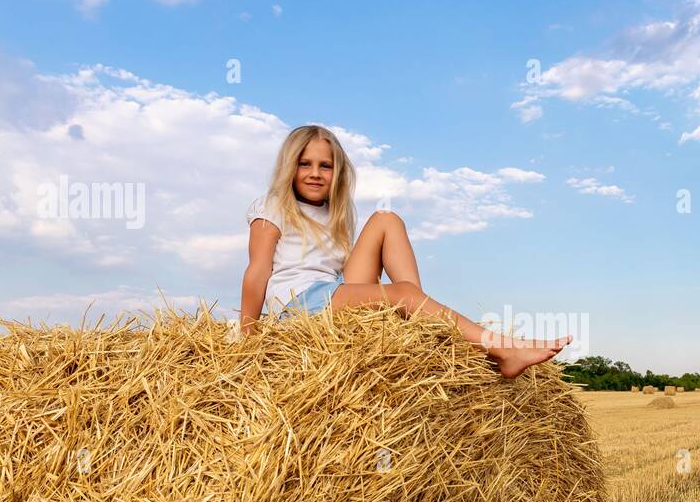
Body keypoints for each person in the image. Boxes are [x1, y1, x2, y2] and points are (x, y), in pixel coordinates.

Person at [239, 125, 570, 378]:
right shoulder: (272, 206)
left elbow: (341, 272)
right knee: (402, 295)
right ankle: (503, 348)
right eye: (304, 164)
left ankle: (418, 325)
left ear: (337, 172)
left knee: (387, 219)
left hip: (332, 292)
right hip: (298, 305)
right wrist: (248, 339)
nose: (315, 173)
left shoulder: (336, 213)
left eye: (325, 166)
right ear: (289, 167)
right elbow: (257, 272)